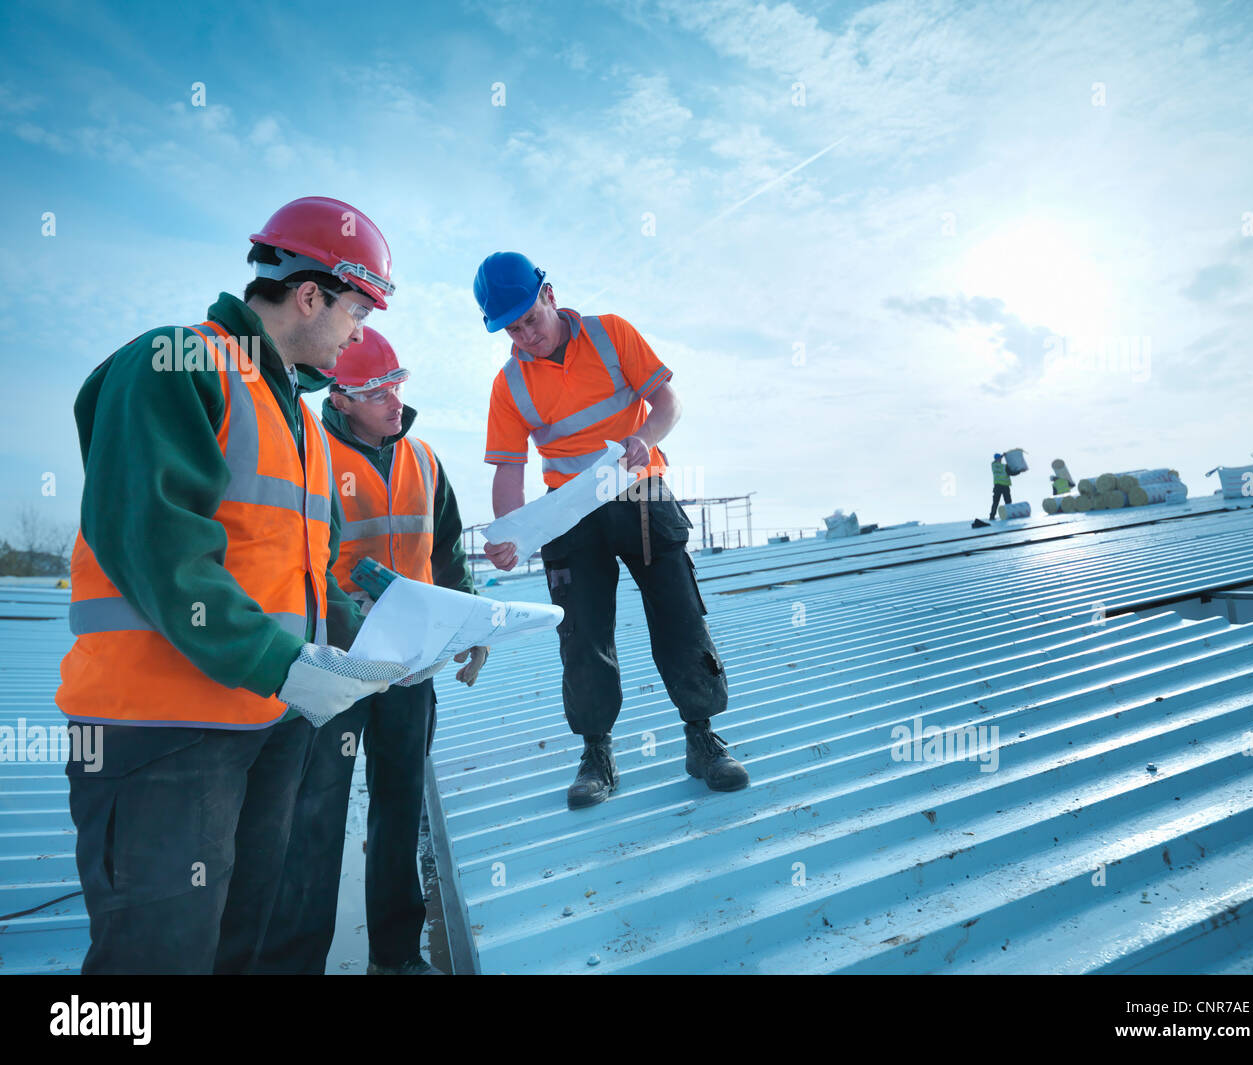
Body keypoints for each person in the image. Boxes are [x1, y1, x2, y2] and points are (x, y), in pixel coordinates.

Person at [56, 196, 410, 974]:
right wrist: (283, 665)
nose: (359, 333)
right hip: (162, 735)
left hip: (265, 721)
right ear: (309, 294)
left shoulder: (297, 423)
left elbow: (302, 578)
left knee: (237, 952)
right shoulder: (175, 363)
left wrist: (397, 637)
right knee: (156, 966)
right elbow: (159, 549)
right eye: (356, 308)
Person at [474, 252, 747, 809]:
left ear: (548, 295)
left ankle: (703, 739)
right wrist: (510, 534)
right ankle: (596, 754)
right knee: (582, 635)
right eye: (511, 329)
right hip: (568, 516)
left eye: (530, 318)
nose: (526, 336)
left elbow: (668, 401)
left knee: (679, 617)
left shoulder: (611, 334)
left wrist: (645, 436)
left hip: (642, 497)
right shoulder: (510, 385)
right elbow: (509, 469)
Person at [258, 328, 488, 975]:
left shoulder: (425, 460)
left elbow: (448, 557)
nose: (394, 402)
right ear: (343, 396)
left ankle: (395, 955)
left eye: (398, 387)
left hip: (409, 670)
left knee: (400, 807)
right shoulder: (312, 456)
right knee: (315, 818)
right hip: (336, 670)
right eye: (377, 391)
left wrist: (469, 628)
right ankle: (293, 962)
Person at [990, 452, 1013, 520]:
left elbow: (1011, 473)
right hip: (998, 486)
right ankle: (992, 516)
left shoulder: (1004, 466)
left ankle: (1009, 513)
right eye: (999, 458)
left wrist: (1019, 471)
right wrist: (1002, 455)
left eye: (1000, 458)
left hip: (1005, 486)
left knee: (1008, 501)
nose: (1000, 459)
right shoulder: (994, 465)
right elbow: (995, 461)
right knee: (996, 501)